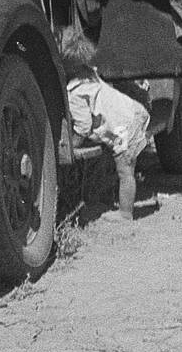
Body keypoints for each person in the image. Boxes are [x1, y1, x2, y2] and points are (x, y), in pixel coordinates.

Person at [60, 29, 152, 220]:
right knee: (122, 167)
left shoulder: (75, 93)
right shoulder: (89, 74)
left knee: (125, 171)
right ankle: (111, 201)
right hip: (131, 112)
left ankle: (125, 214)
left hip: (124, 126)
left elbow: (83, 126)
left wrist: (72, 145)